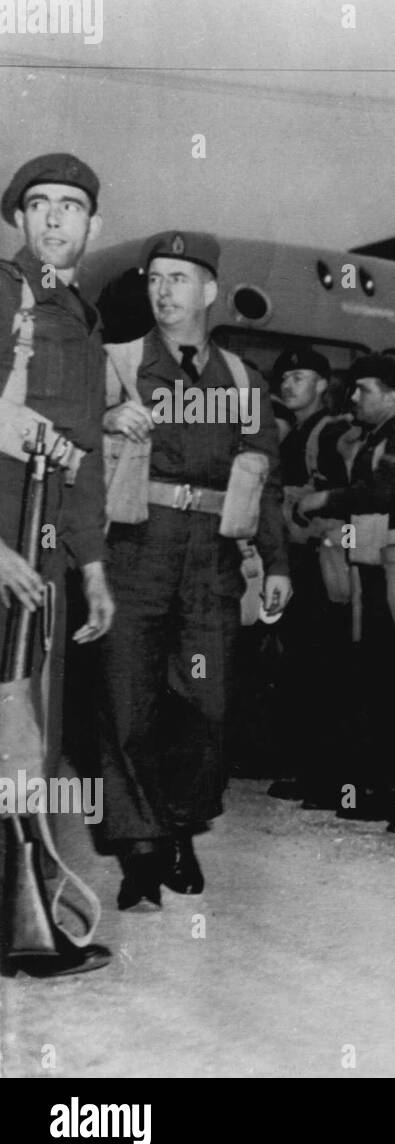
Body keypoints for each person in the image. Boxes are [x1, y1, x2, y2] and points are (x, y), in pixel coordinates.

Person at [98, 230, 291, 910]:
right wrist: (105, 421)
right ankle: (141, 850)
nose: (164, 289)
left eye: (180, 278)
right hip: (136, 549)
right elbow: (68, 445)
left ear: (209, 291)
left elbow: (264, 476)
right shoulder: (117, 364)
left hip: (211, 556)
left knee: (206, 706)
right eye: (156, 277)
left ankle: (182, 824)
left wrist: (276, 562)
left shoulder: (240, 380)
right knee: (131, 701)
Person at [0, 153, 115, 977]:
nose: (52, 219)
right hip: (5, 538)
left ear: (92, 226)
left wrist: (96, 566)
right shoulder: (6, 296)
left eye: (69, 206)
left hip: (46, 548)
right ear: (17, 220)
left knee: (29, 733)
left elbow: (83, 458)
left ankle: (24, 908)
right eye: (36, 204)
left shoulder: (79, 315)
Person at [295, 355, 395, 833]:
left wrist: (325, 500)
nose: (354, 398)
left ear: (392, 394)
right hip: (377, 565)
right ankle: (387, 791)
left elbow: (381, 492)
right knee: (383, 679)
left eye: (364, 389)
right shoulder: (380, 434)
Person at [264, 345, 353, 808]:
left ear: (323, 384)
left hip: (322, 563)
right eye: (284, 378)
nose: (289, 385)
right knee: (299, 666)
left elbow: (351, 491)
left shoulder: (332, 431)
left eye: (300, 377)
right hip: (297, 562)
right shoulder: (296, 434)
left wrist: (310, 501)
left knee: (322, 669)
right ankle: (305, 768)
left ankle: (324, 775)